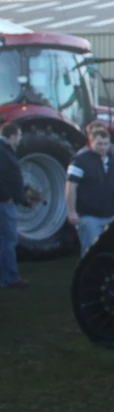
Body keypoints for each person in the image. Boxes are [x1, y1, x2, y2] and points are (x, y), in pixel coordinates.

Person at [66, 124, 114, 255]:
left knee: (112, 253)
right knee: (91, 253)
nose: (103, 147)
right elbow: (71, 187)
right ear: (91, 143)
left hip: (111, 216)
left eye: (106, 144)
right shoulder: (80, 160)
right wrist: (72, 212)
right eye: (99, 144)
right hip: (89, 217)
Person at [0, 123, 29, 289]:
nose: (20, 138)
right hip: (4, 204)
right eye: (19, 135)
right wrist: (7, 196)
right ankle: (10, 278)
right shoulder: (3, 150)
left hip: (5, 201)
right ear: (12, 136)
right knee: (8, 240)